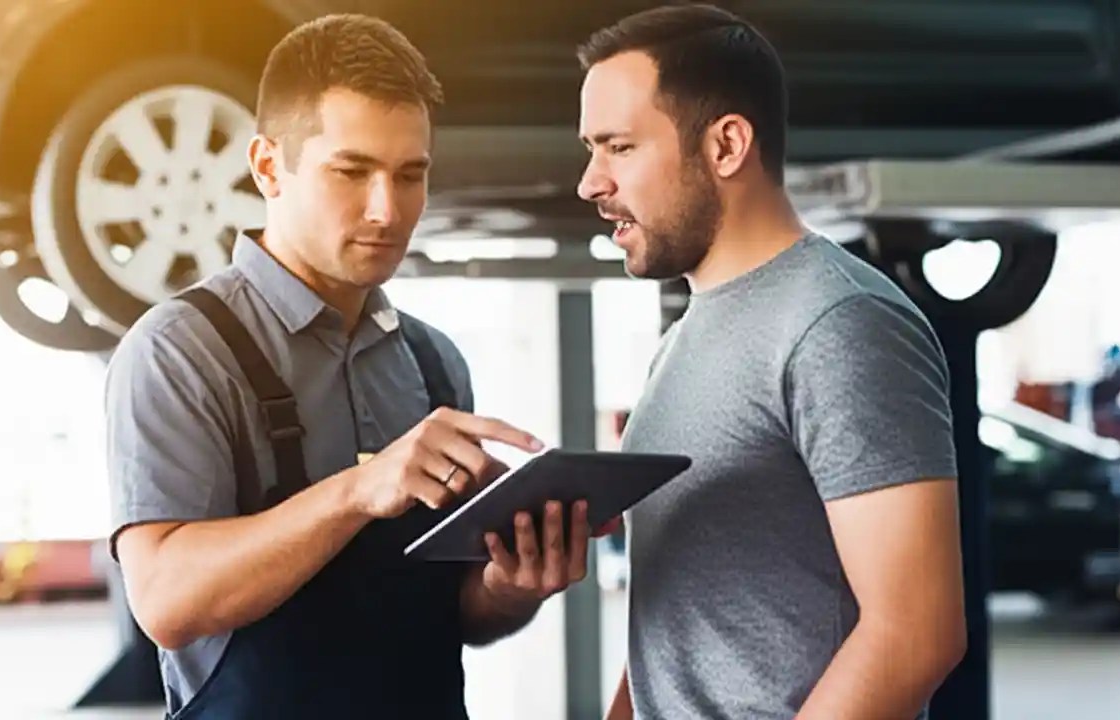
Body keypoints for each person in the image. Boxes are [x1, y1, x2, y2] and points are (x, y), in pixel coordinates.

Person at [105, 14, 593, 719]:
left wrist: (514, 585)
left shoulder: (433, 363)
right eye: (351, 171)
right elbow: (167, 602)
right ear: (269, 166)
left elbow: (457, 613)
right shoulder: (181, 350)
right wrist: (363, 489)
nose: (386, 209)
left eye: (410, 175)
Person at [575, 5, 967, 720]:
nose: (590, 183)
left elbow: (916, 634)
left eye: (619, 148)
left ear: (726, 145)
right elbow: (675, 628)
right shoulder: (689, 334)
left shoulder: (840, 322)